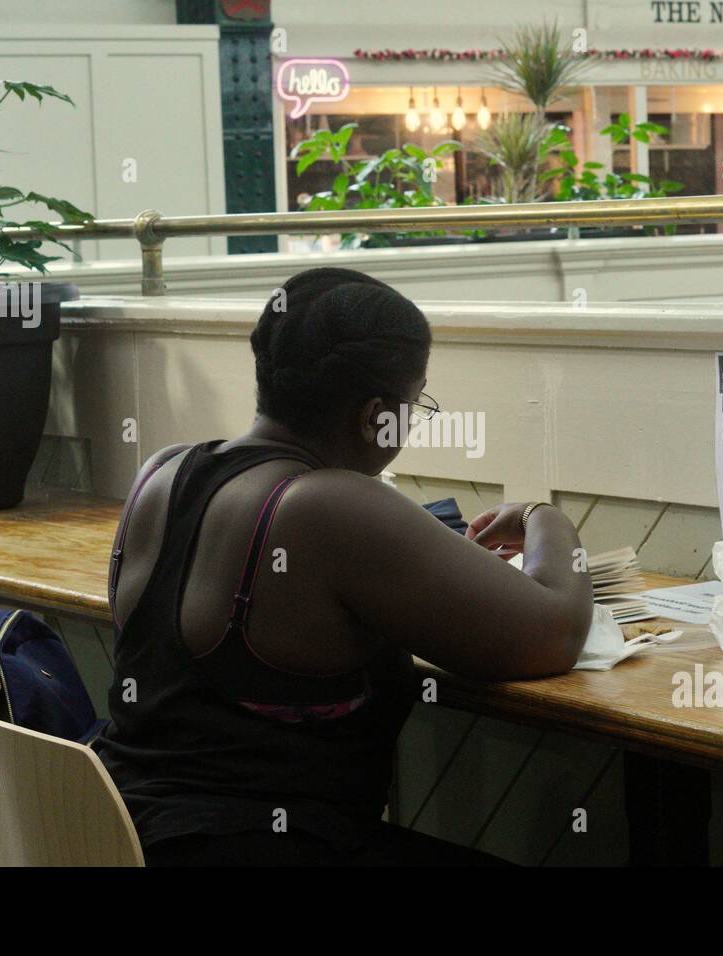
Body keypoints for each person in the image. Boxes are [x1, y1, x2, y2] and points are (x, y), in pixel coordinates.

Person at [95, 267, 593, 865]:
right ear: (373, 415)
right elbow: (556, 631)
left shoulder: (163, 470)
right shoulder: (327, 504)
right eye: (415, 404)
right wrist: (546, 519)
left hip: (111, 830)